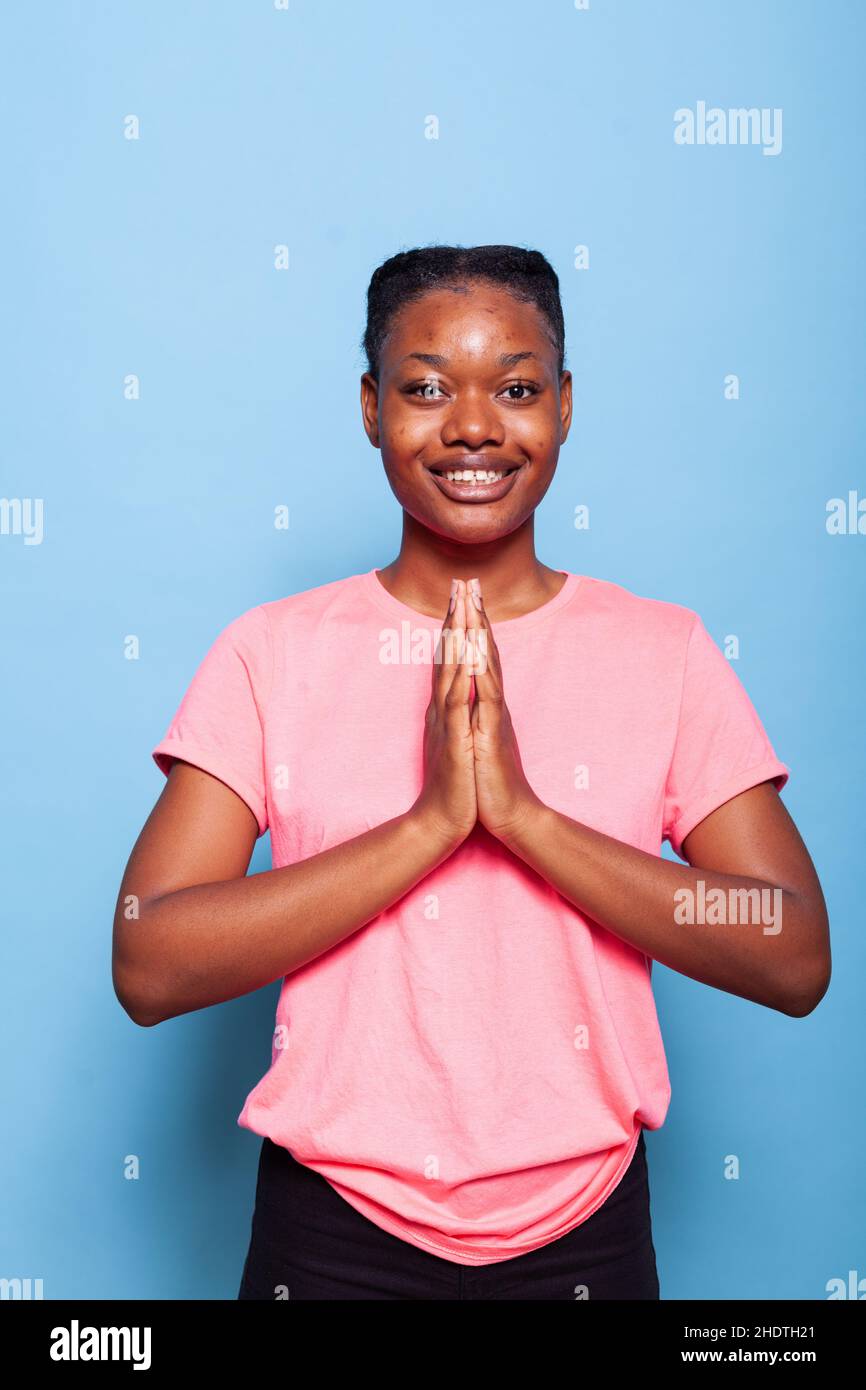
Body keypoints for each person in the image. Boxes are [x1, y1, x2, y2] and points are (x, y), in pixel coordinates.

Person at [112, 244, 831, 1301]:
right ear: (369, 407)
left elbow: (790, 947)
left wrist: (525, 819)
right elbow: (150, 960)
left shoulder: (661, 651)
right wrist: (429, 824)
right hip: (333, 1237)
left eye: (516, 387)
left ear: (565, 405)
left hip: (583, 1237)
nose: (473, 427)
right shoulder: (272, 651)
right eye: (425, 388)